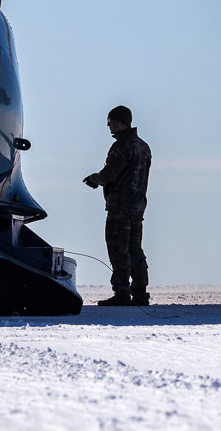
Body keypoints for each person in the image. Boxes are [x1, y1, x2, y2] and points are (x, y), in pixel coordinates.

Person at [82, 104, 151, 307]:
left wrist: (94, 179)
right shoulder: (143, 146)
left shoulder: (122, 146)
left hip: (120, 208)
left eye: (110, 121)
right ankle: (140, 293)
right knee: (135, 249)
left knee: (118, 249)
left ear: (119, 122)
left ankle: (121, 293)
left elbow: (111, 173)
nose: (108, 125)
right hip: (138, 207)